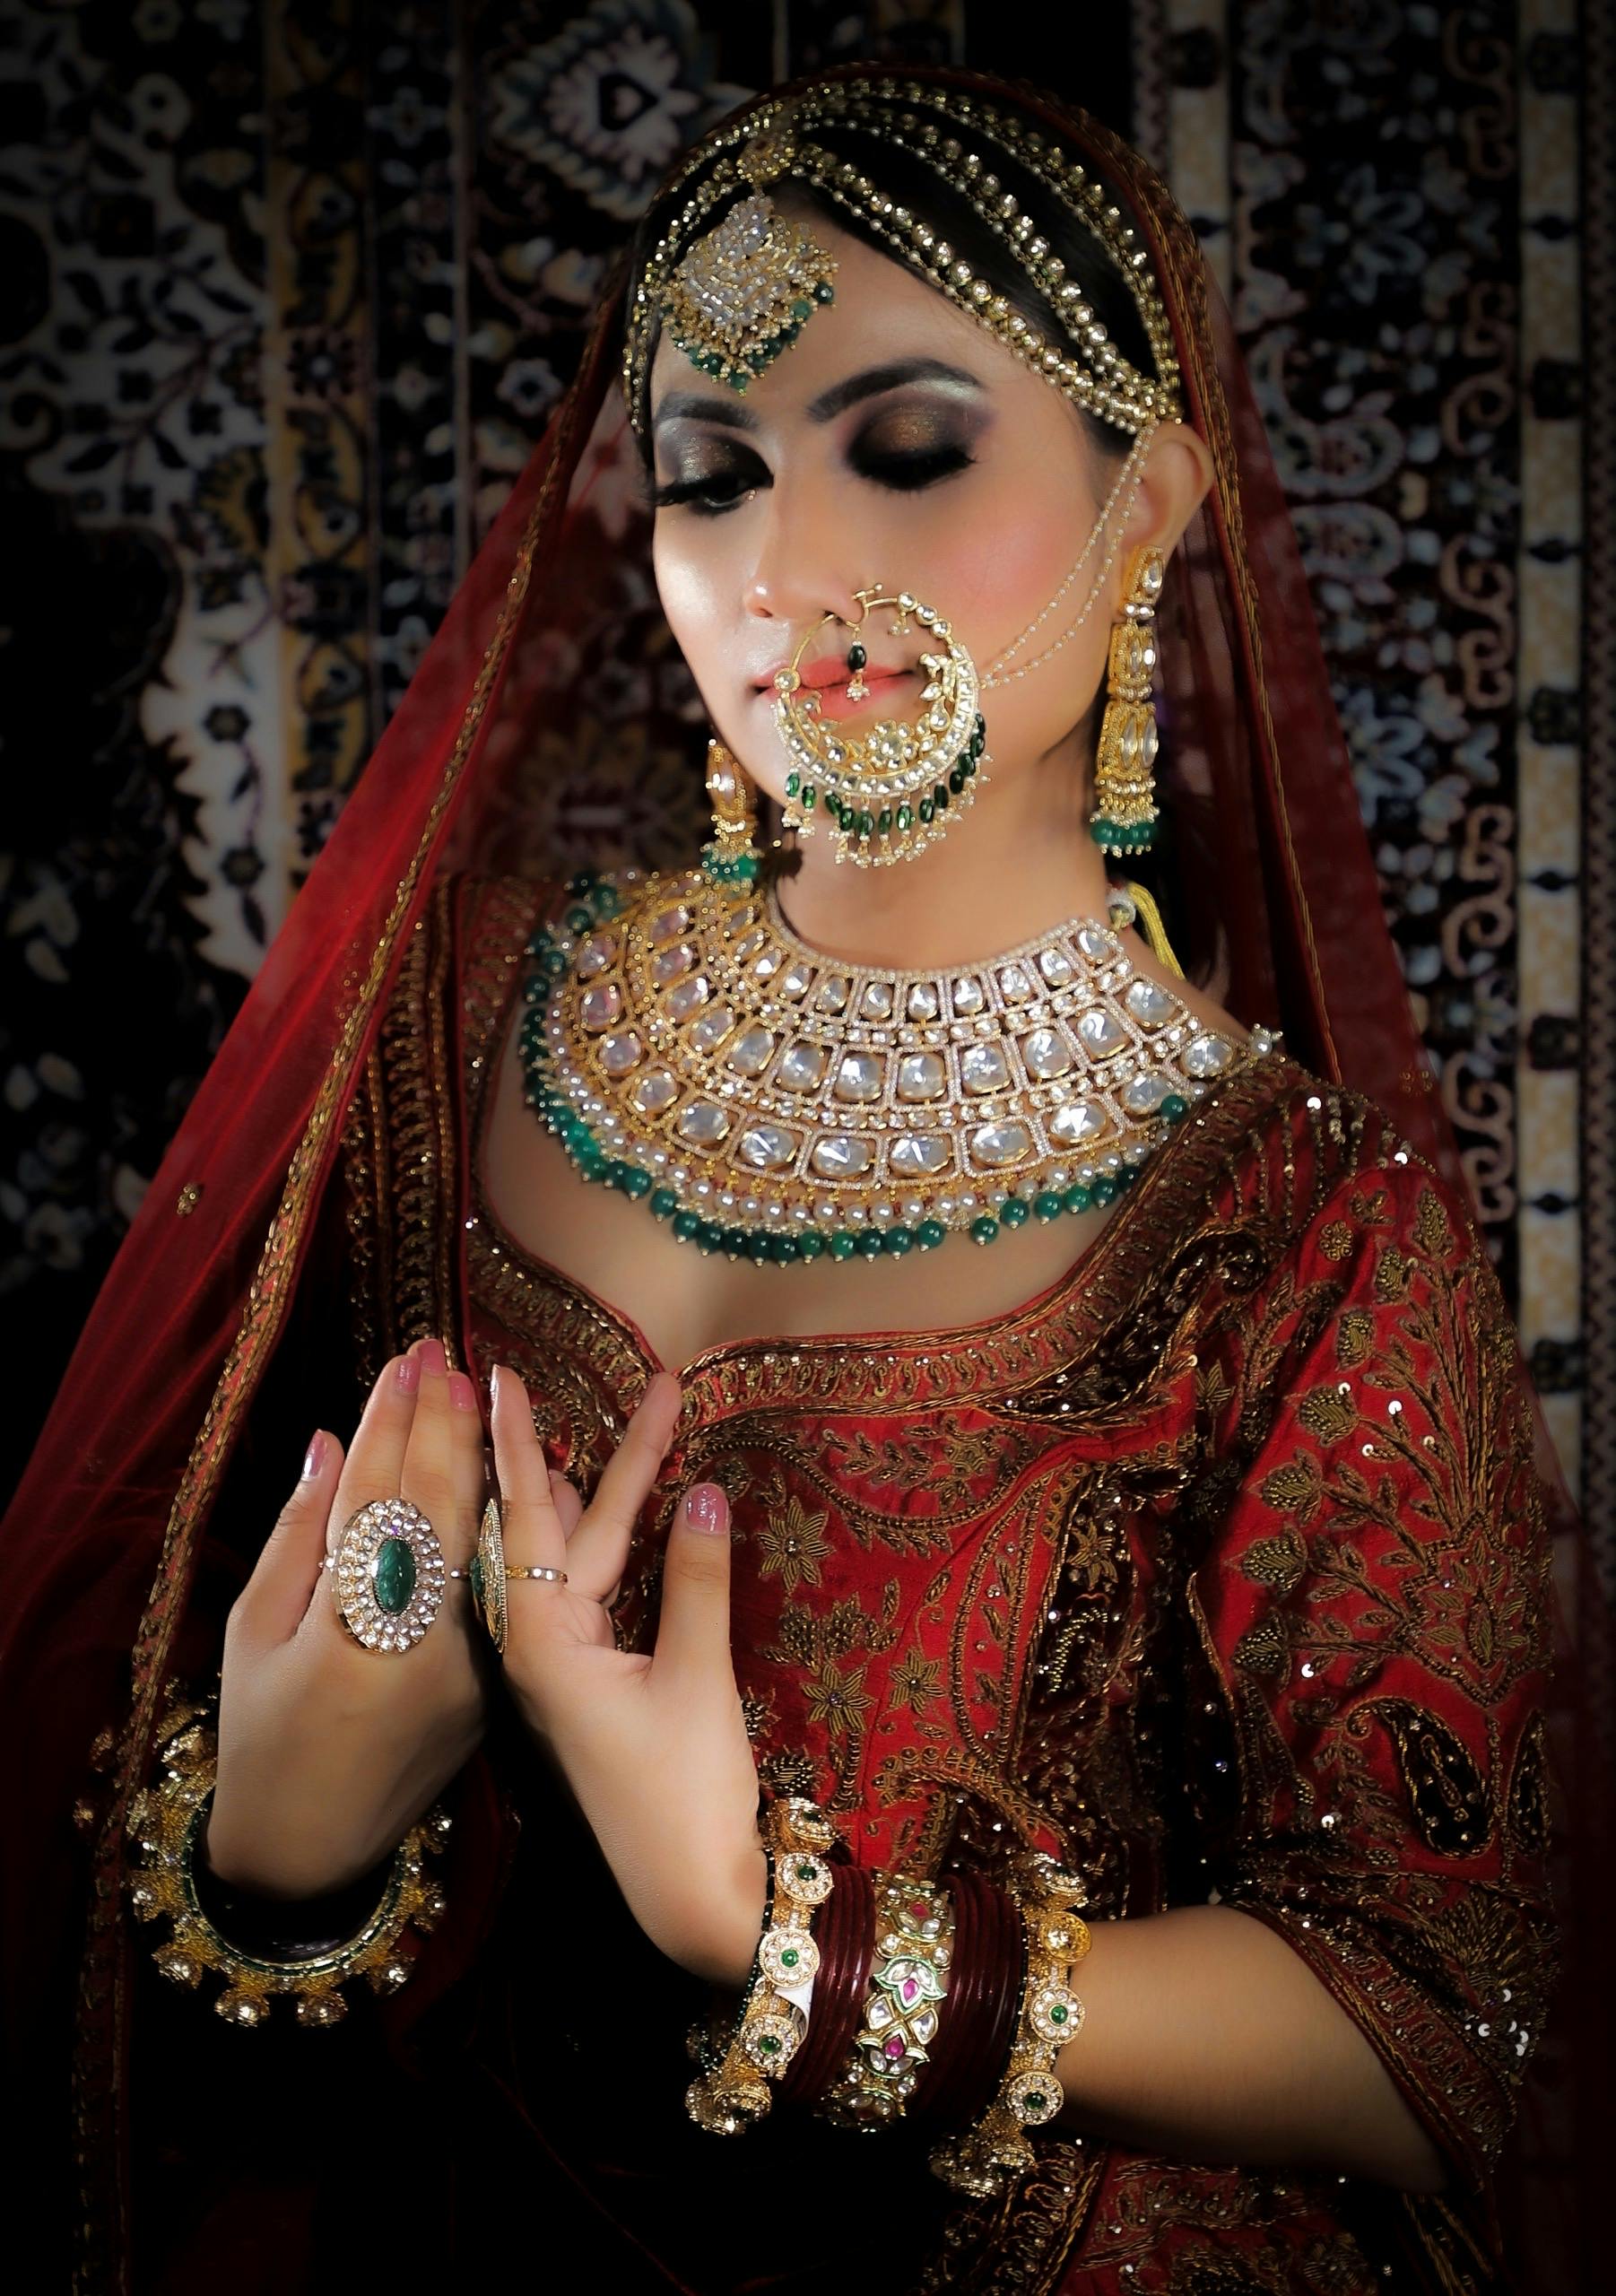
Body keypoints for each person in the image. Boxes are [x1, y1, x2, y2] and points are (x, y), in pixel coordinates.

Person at [1, 63, 1589, 2296]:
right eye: (710, 475)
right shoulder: (451, 1031)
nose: (783, 570)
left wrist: (772, 1927)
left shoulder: (1305, 1228)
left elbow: (1433, 2027)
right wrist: (277, 1839)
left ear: (1150, 507)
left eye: (913, 450)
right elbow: (161, 1694)